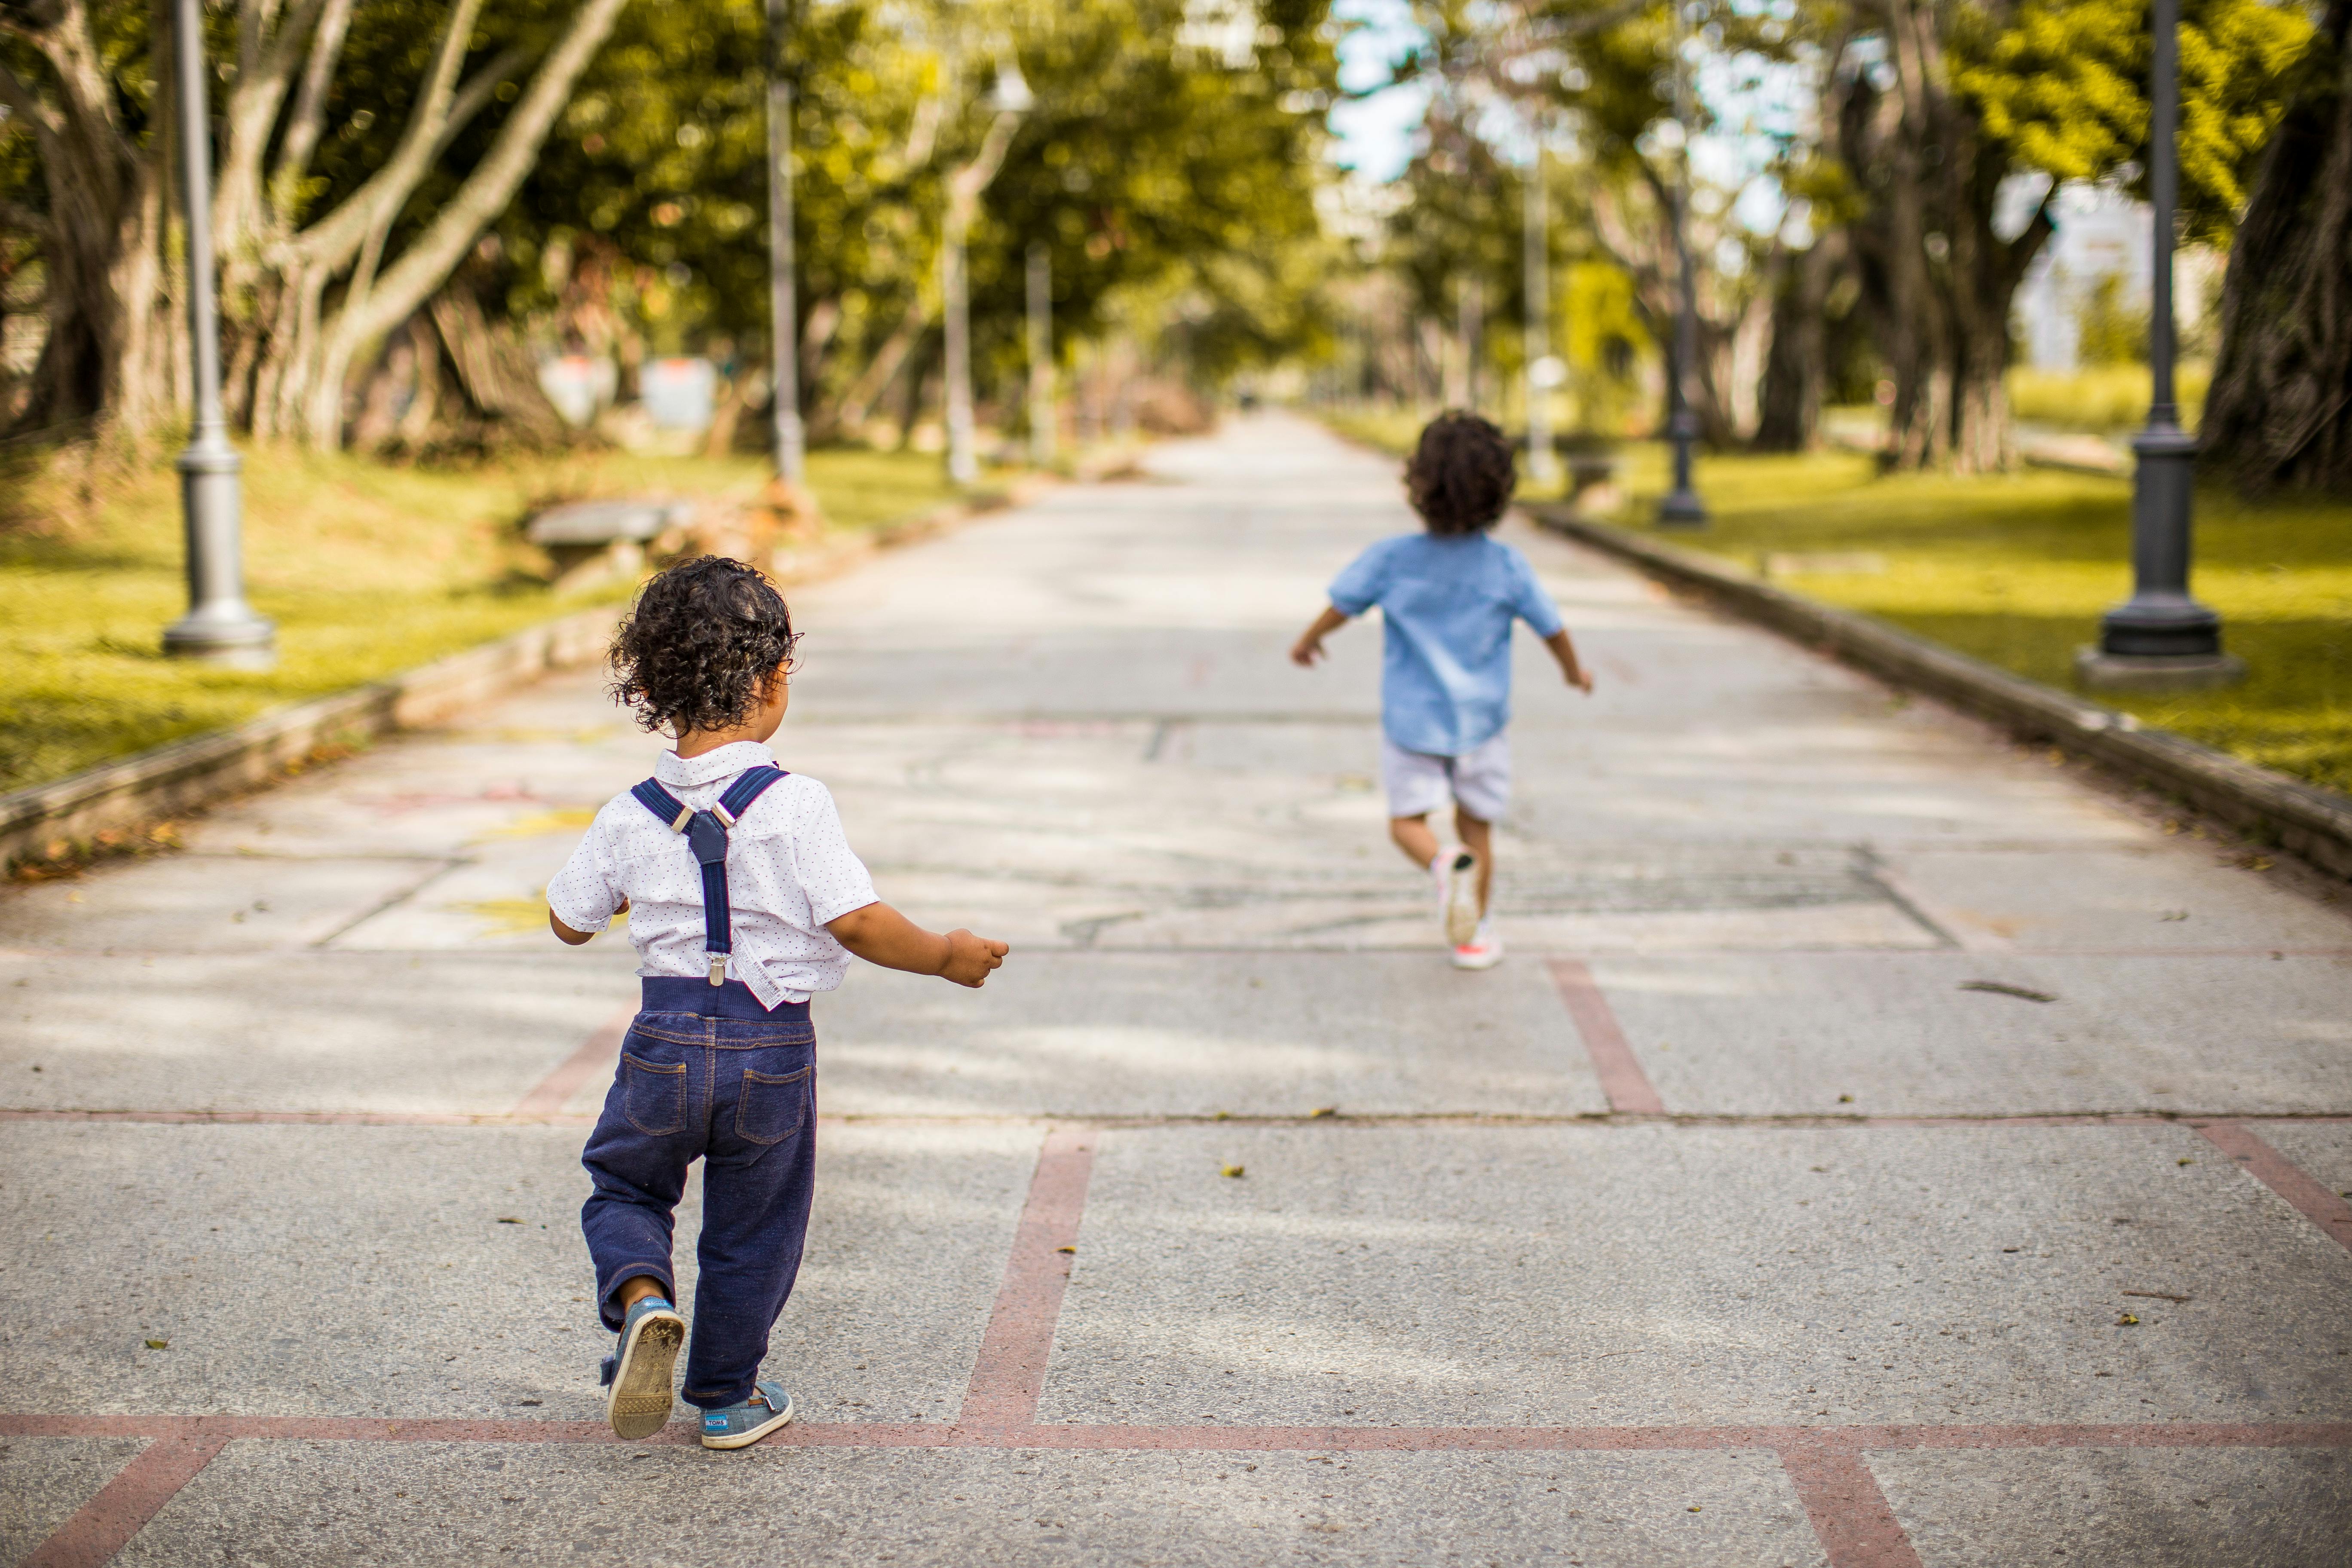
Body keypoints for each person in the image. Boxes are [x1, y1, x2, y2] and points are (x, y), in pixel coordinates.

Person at [544, 556, 1008, 1449]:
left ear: (647, 687)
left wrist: (636, 892)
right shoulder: (796, 804)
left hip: (663, 1044)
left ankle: (643, 1298)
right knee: (755, 1231)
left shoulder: (628, 814)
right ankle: (725, 1397)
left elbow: (568, 921)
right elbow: (859, 921)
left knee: (623, 1188)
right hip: (771, 1049)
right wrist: (946, 955)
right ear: (771, 678)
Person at [1290, 411, 1593, 970]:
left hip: (1413, 725)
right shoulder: (1507, 566)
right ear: (1501, 491)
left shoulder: (1391, 559)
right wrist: (1575, 673)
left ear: (1417, 485)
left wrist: (1309, 641)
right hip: (1481, 725)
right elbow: (1553, 628)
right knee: (1477, 826)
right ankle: (1475, 936)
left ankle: (1439, 863)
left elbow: (1342, 606)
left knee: (1407, 823)